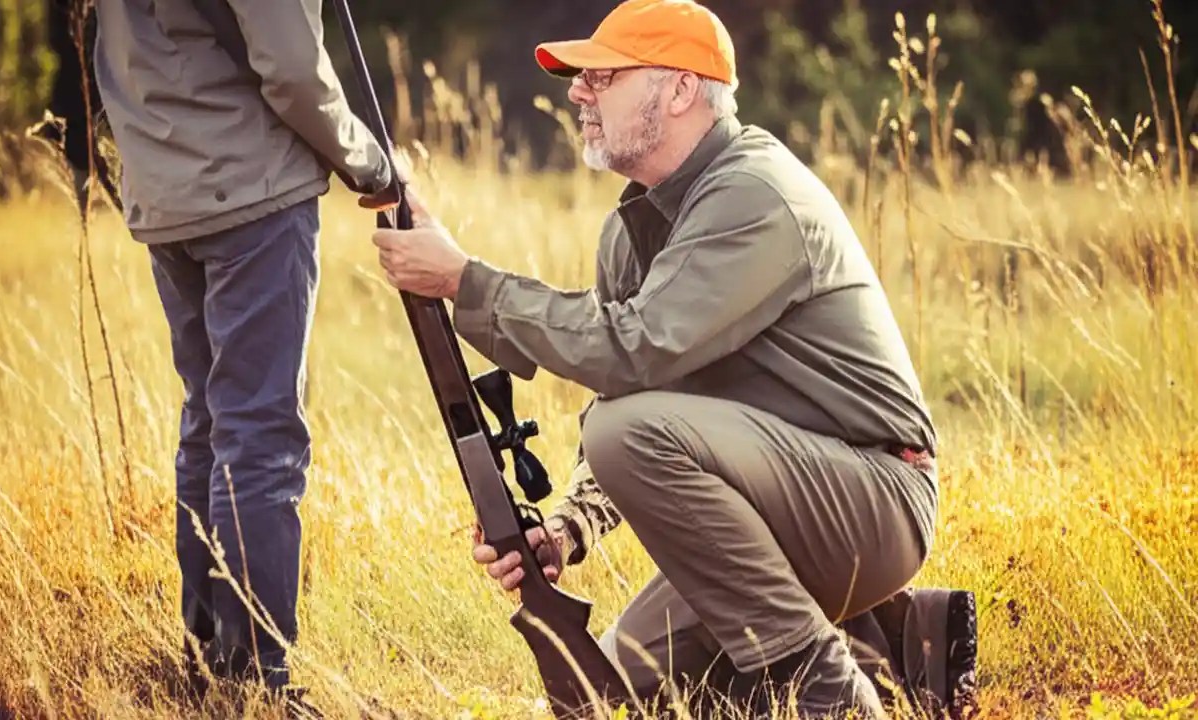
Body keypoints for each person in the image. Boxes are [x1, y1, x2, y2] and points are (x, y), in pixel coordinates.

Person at [373, 0, 976, 717]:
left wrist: (465, 283)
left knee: (622, 432)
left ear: (681, 89)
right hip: (785, 508)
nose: (578, 92)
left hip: (875, 501)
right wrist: (566, 530)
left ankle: (832, 692)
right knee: (616, 695)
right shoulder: (634, 227)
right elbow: (628, 390)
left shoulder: (753, 194)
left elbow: (631, 352)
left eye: (603, 77)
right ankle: (897, 640)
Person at [91, 0, 396, 705]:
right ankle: (258, 682)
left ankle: (209, 667)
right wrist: (370, 162)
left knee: (210, 423)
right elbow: (292, 70)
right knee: (259, 436)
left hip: (165, 191)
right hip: (251, 189)